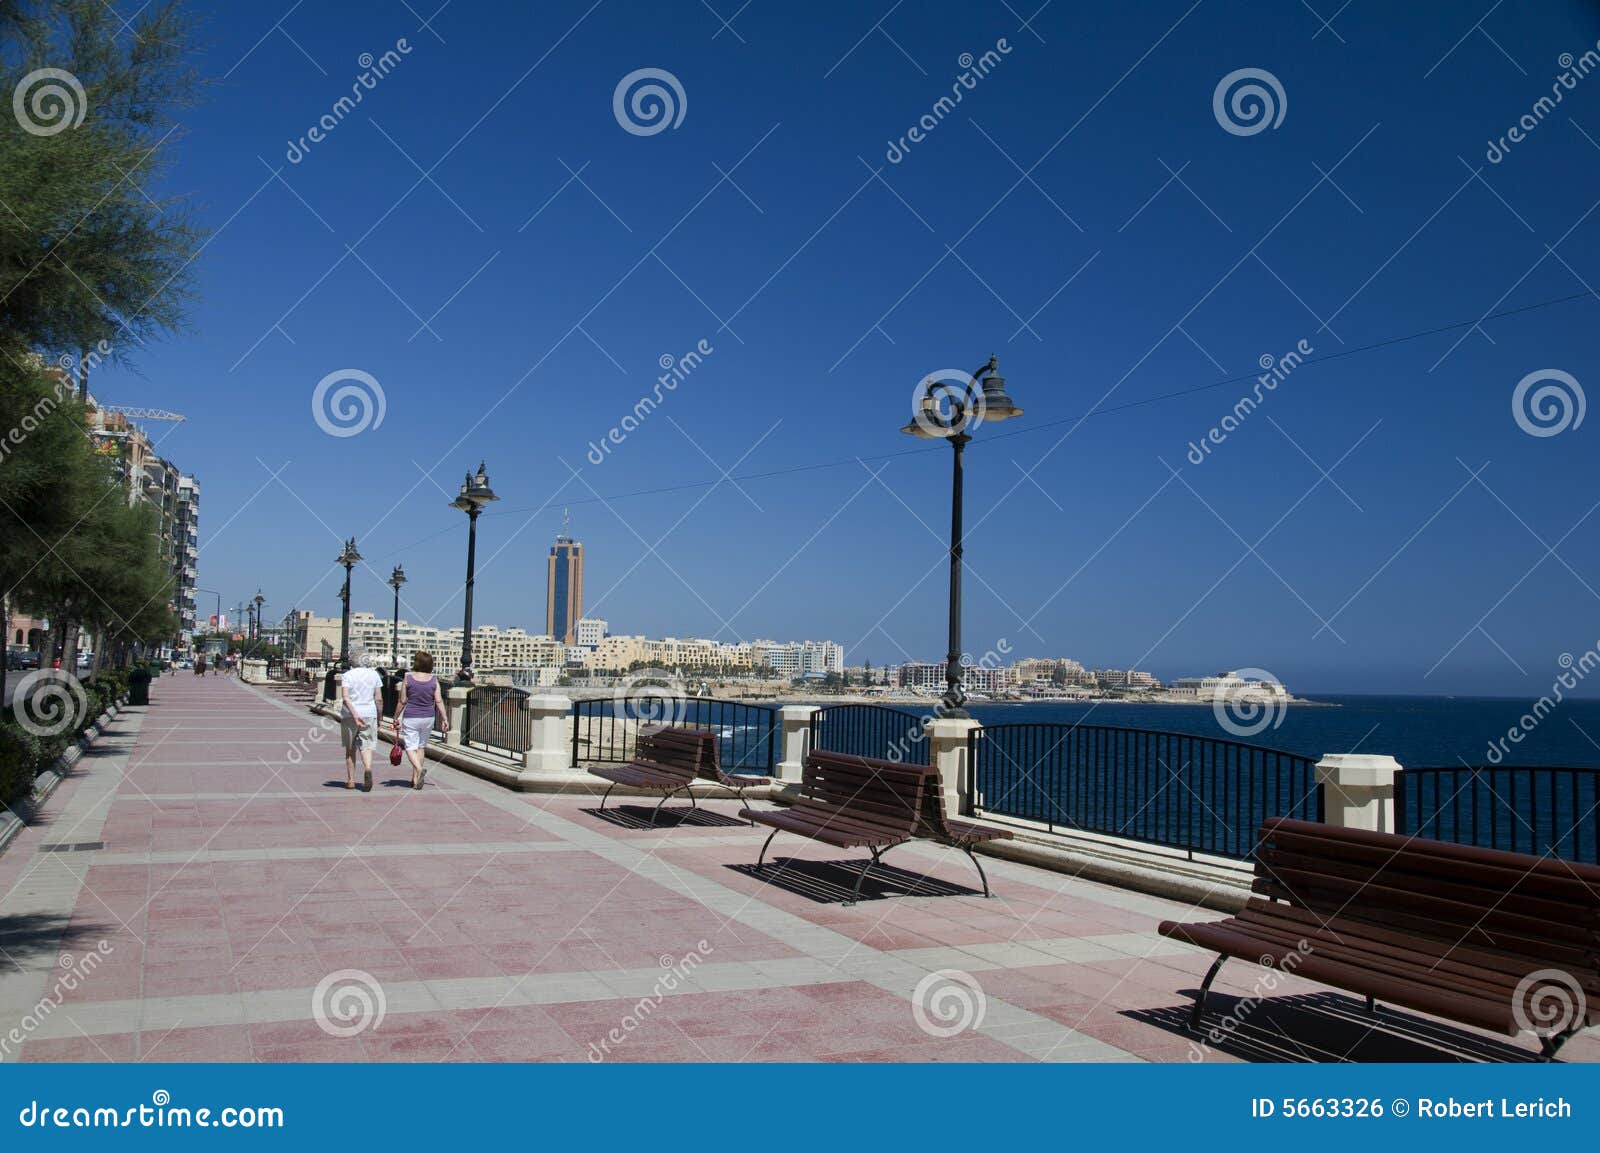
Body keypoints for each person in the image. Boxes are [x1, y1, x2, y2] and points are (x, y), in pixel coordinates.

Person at [392, 650, 448, 789]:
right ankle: (415, 780)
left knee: (410, 747)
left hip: (411, 717)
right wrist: (444, 718)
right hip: (428, 717)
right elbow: (439, 701)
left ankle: (419, 769)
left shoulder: (408, 678)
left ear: (416, 663)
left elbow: (403, 701)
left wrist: (395, 716)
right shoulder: (434, 680)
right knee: (421, 747)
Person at [339, 651, 383, 791]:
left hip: (349, 715)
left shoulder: (347, 675)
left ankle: (351, 780)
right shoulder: (374, 674)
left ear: (352, 661)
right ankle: (368, 768)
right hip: (369, 714)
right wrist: (380, 716)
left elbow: (346, 698)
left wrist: (354, 714)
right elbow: (378, 698)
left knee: (350, 748)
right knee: (367, 746)